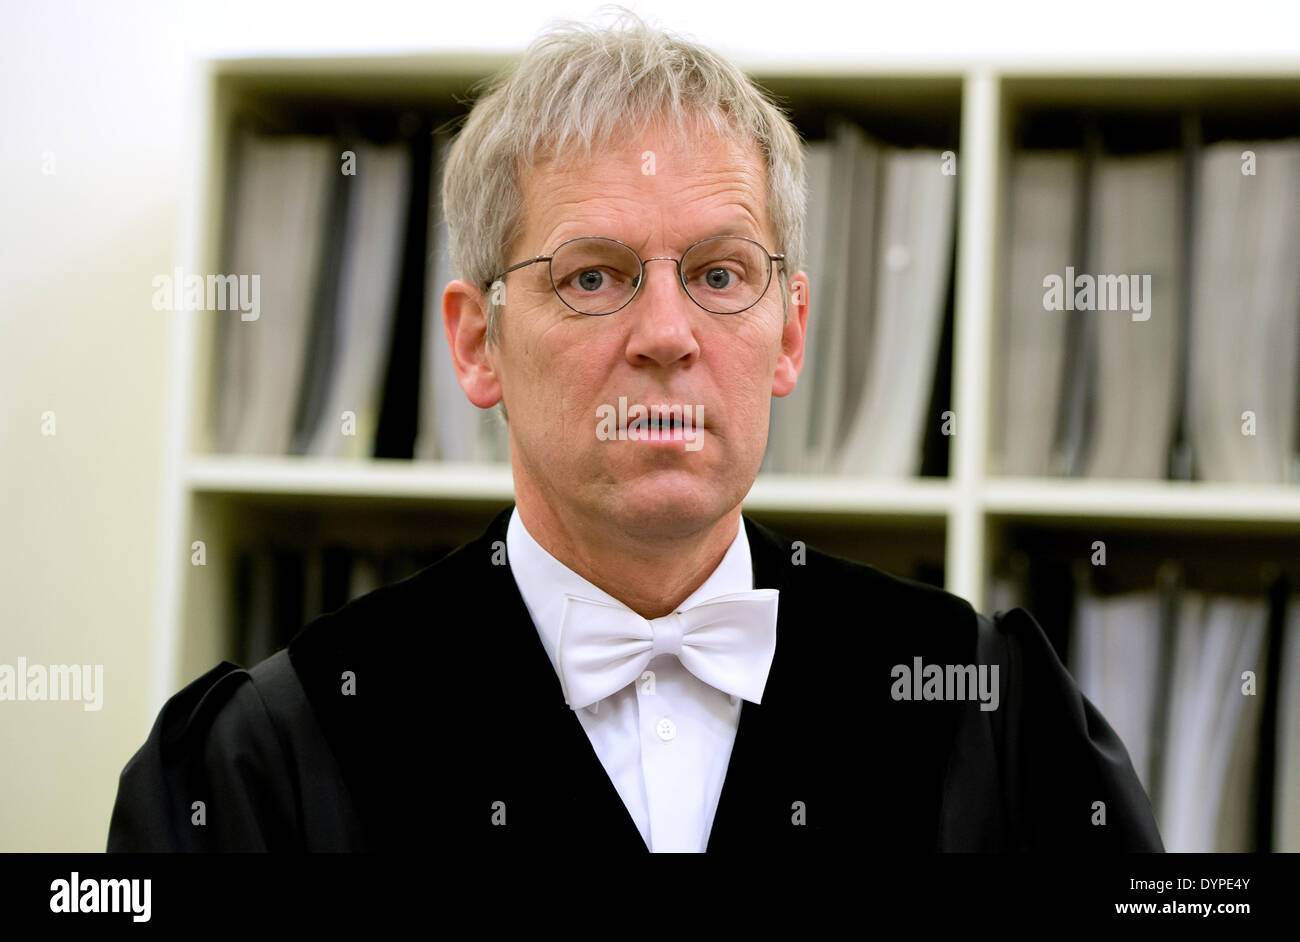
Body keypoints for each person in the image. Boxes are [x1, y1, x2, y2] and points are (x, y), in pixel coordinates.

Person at [108, 12, 1163, 853]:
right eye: (594, 276)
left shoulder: (988, 714)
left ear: (789, 333)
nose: (666, 334)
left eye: (717, 274)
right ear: (477, 343)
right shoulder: (270, 756)